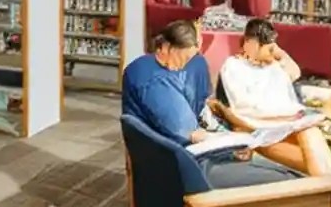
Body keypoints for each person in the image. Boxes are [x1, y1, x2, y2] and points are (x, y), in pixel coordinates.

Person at [122, 20, 302, 190]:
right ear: (167, 47)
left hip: (176, 153)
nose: (181, 66)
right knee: (287, 178)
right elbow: (193, 135)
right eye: (182, 59)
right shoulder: (157, 85)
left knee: (272, 164)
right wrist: (230, 146)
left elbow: (197, 111)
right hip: (186, 165)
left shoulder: (153, 67)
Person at [211, 19, 331, 178]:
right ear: (252, 44)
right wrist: (285, 117)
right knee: (311, 142)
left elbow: (294, 73)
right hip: (255, 126)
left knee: (310, 131)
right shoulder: (233, 67)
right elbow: (244, 107)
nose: (273, 51)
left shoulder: (270, 64)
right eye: (269, 47)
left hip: (280, 124)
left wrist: (280, 53)